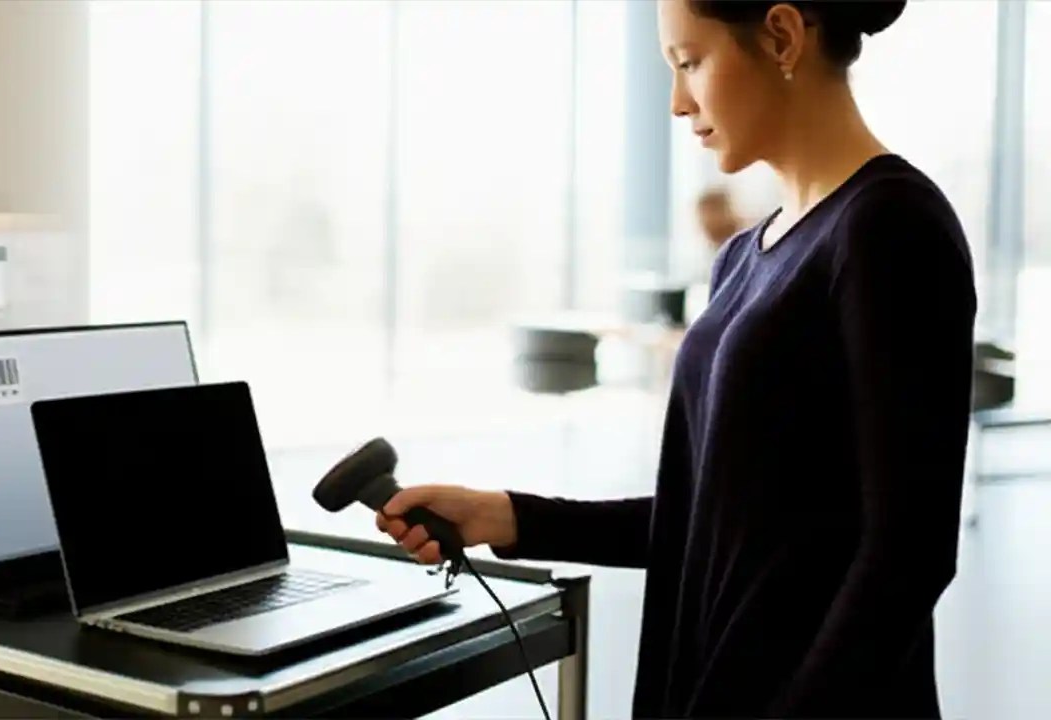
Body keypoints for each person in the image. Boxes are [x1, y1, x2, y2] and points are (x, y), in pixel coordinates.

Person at [376, 1, 977, 718]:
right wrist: (505, 516)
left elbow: (906, 556)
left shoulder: (889, 229)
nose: (677, 101)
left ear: (782, 36)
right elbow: (716, 517)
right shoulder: (740, 261)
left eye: (690, 63)